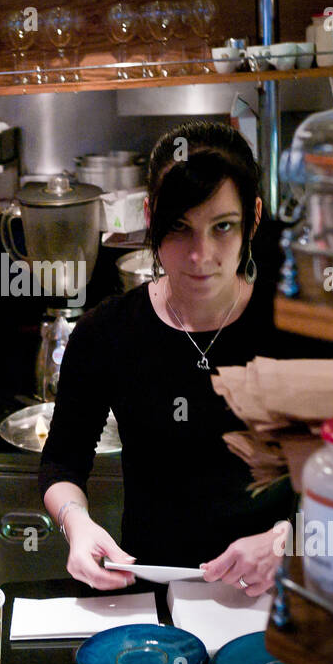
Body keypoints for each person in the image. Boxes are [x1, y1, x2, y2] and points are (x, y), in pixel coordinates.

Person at [40, 121, 296, 597]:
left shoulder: (296, 330)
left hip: (273, 595)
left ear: (254, 218)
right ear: (150, 215)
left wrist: (288, 539)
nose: (201, 256)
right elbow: (61, 463)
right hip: (150, 594)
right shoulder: (106, 333)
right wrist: (76, 525)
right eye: (179, 228)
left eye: (222, 227)